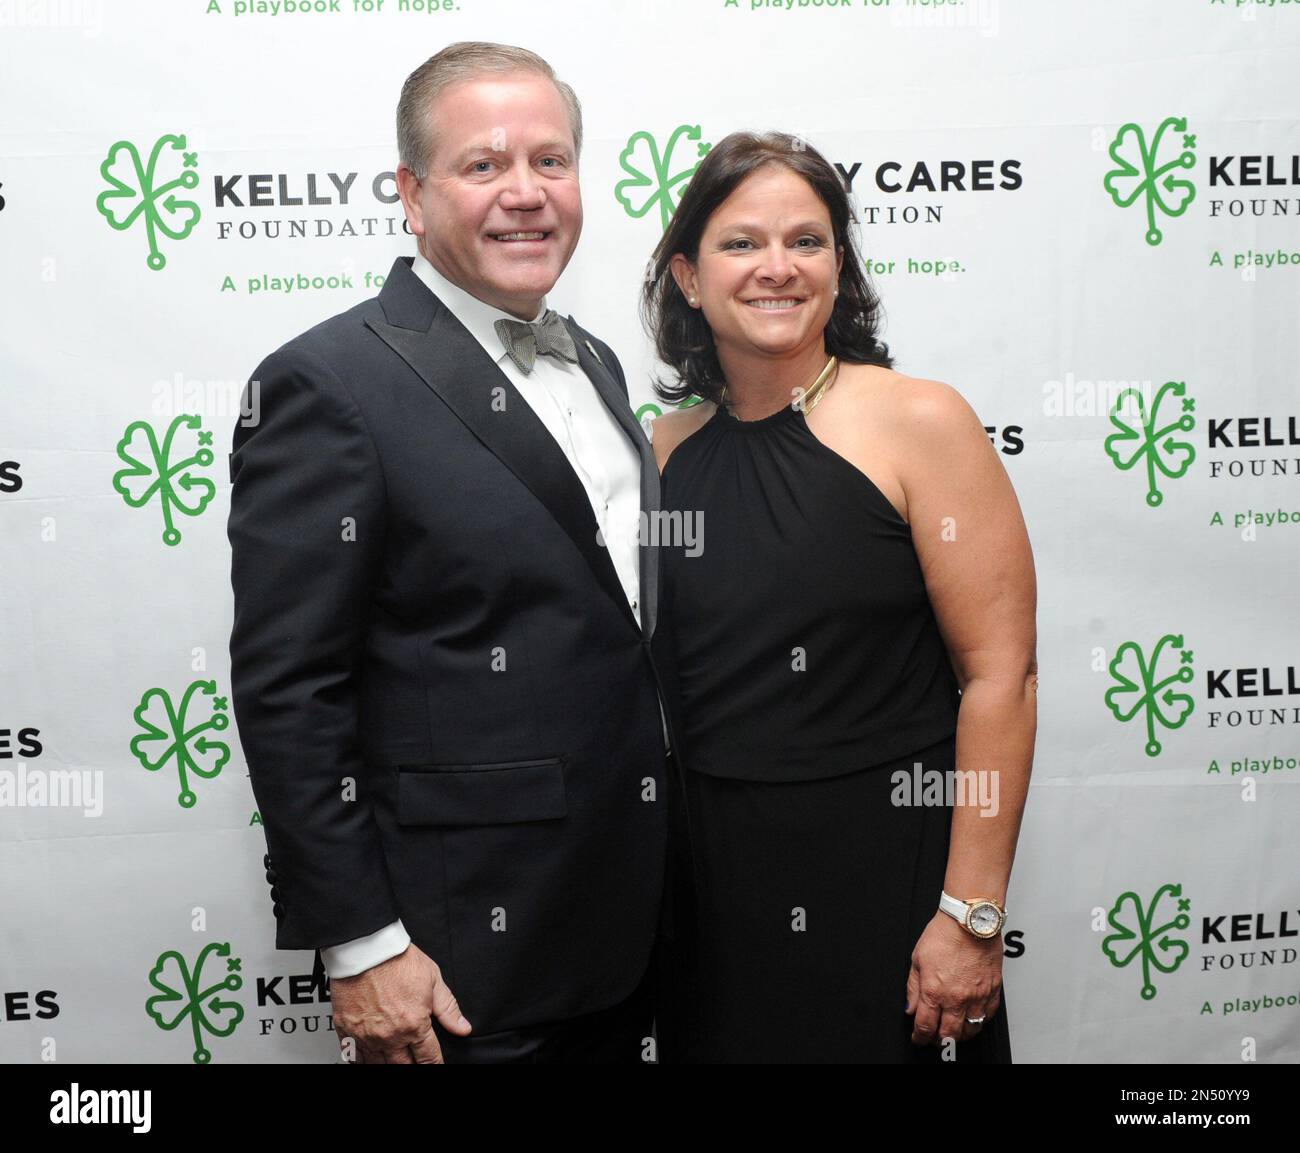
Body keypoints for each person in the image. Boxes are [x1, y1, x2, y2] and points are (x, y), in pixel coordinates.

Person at [227, 42, 676, 1064]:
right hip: (459, 960)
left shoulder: (595, 359)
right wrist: (361, 943)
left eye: (551, 161)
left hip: (626, 934)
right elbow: (293, 690)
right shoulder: (326, 383)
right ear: (411, 194)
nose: (527, 193)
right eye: (484, 166)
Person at [646, 131, 1036, 1063]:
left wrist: (971, 917)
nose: (776, 267)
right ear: (690, 278)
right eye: (741, 243)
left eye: (807, 241)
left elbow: (1001, 678)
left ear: (840, 265)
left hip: (888, 885)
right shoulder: (661, 448)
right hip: (713, 888)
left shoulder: (920, 419)